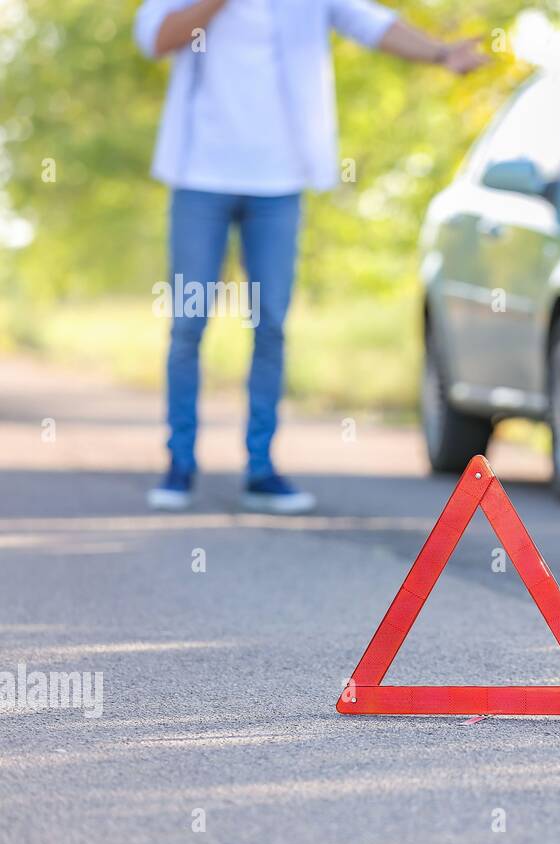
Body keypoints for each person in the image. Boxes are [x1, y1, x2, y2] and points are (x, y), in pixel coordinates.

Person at [134, 0, 487, 514]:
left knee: (272, 323)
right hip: (198, 178)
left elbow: (371, 22)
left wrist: (439, 53)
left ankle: (261, 468)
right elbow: (157, 38)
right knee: (189, 324)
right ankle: (179, 464)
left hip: (278, 183)